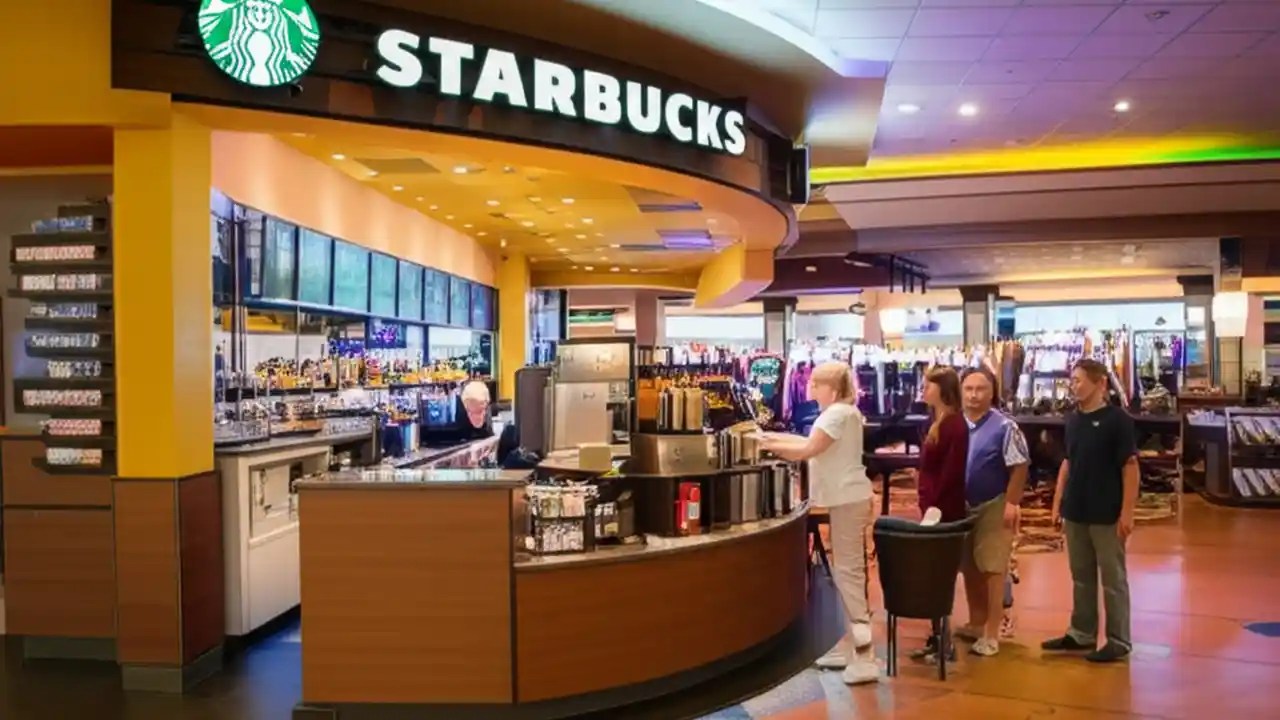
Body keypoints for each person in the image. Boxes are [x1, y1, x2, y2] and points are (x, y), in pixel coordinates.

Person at [759, 362, 878, 685]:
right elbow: (810, 444)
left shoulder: (837, 414)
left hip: (847, 499)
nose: (810, 389)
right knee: (846, 572)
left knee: (849, 573)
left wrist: (766, 444)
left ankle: (865, 656)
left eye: (816, 384)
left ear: (834, 388)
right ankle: (852, 646)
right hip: (847, 498)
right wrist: (770, 436)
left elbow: (809, 449)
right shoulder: (843, 414)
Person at [1041, 358, 1137, 663]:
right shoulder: (1072, 420)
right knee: (1081, 575)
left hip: (1106, 511)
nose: (1074, 385)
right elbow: (1068, 463)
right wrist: (1057, 503)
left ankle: (1118, 639)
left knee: (1113, 577)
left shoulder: (1118, 421)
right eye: (1072, 379)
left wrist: (1128, 512)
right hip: (1077, 509)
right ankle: (1081, 633)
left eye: (1080, 380)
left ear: (1100, 384)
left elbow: (1130, 467)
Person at [957, 365, 1029, 657]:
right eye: (969, 389)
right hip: (961, 506)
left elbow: (1019, 466)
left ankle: (992, 632)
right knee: (969, 566)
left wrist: (1012, 503)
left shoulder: (1005, 427)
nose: (974, 395)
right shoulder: (955, 424)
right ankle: (976, 622)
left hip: (994, 503)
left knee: (993, 567)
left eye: (981, 389)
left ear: (992, 392)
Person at [910, 366, 968, 662]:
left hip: (943, 511)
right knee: (933, 575)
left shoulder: (954, 425)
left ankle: (945, 643)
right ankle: (936, 638)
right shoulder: (937, 421)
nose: (923, 390)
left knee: (940, 576)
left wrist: (935, 508)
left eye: (928, 385)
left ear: (942, 390)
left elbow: (952, 474)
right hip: (932, 506)